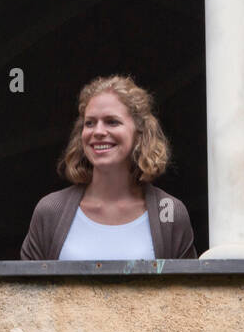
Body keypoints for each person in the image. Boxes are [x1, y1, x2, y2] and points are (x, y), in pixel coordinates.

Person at [21, 75, 197, 260]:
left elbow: (187, 289)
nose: (98, 132)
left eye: (112, 121)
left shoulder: (168, 213)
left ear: (139, 133)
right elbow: (24, 288)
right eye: (90, 123)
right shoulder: (51, 210)